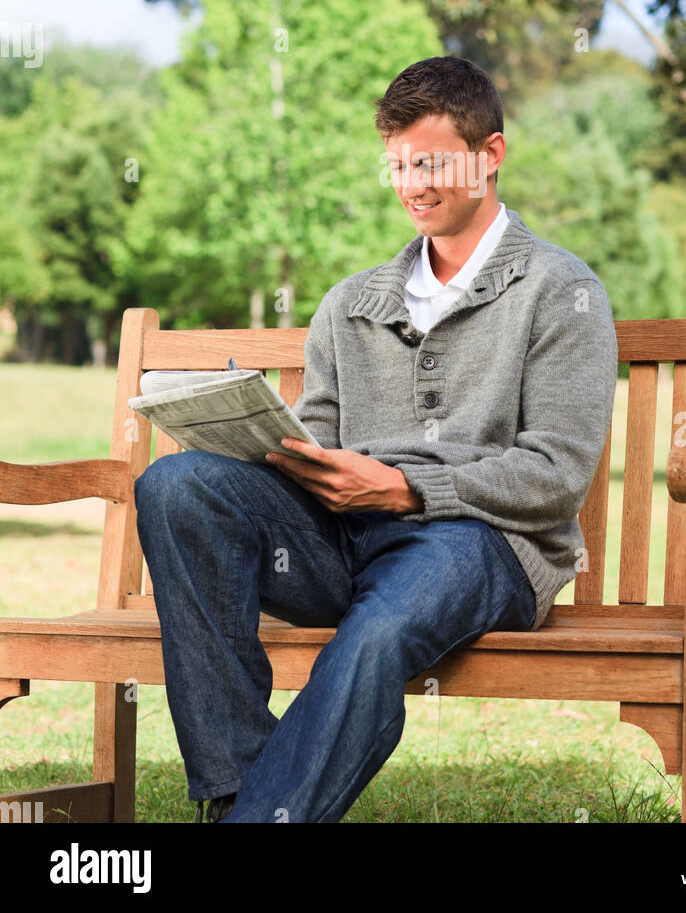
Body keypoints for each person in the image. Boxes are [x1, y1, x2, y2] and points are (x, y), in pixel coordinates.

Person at [134, 55, 619, 824]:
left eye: (428, 162)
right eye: (396, 164)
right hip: (342, 537)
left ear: (490, 155)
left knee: (379, 630)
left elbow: (557, 472)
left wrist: (408, 488)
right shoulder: (350, 304)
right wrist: (263, 442)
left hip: (480, 544)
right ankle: (236, 795)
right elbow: (318, 437)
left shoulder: (562, 292)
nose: (410, 185)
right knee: (174, 484)